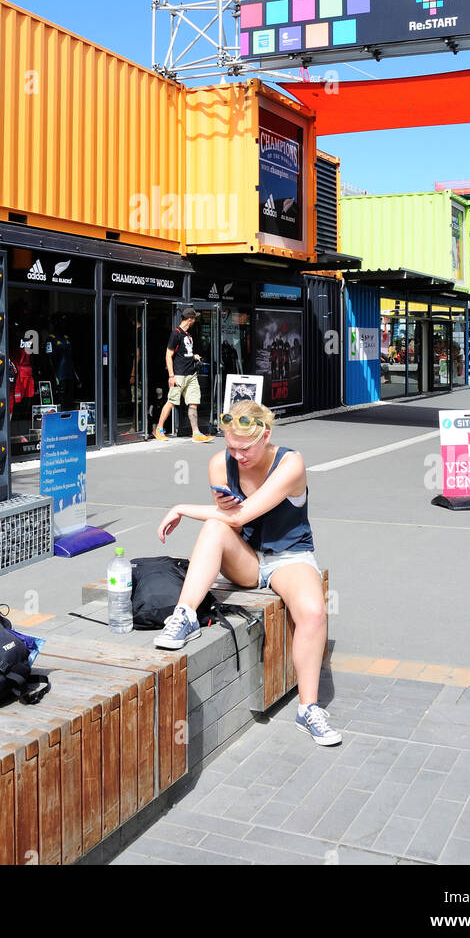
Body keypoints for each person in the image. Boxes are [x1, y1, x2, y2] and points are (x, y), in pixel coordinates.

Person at [152, 399, 341, 746]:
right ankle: (184, 616)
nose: (238, 456)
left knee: (313, 615)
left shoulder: (290, 463)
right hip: (247, 558)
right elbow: (231, 525)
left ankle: (308, 709)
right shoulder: (219, 465)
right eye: (231, 447)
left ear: (265, 435)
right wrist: (214, 510)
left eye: (246, 448)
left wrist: (180, 507)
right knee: (212, 528)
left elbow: (238, 516)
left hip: (289, 556)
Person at [154, 305, 212, 444]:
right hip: (179, 375)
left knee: (193, 402)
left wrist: (194, 356)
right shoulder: (176, 333)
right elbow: (168, 355)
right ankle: (159, 429)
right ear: (190, 319)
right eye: (194, 318)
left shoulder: (187, 335)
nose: (195, 321)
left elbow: (184, 353)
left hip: (191, 374)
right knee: (172, 401)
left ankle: (196, 432)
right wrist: (171, 376)